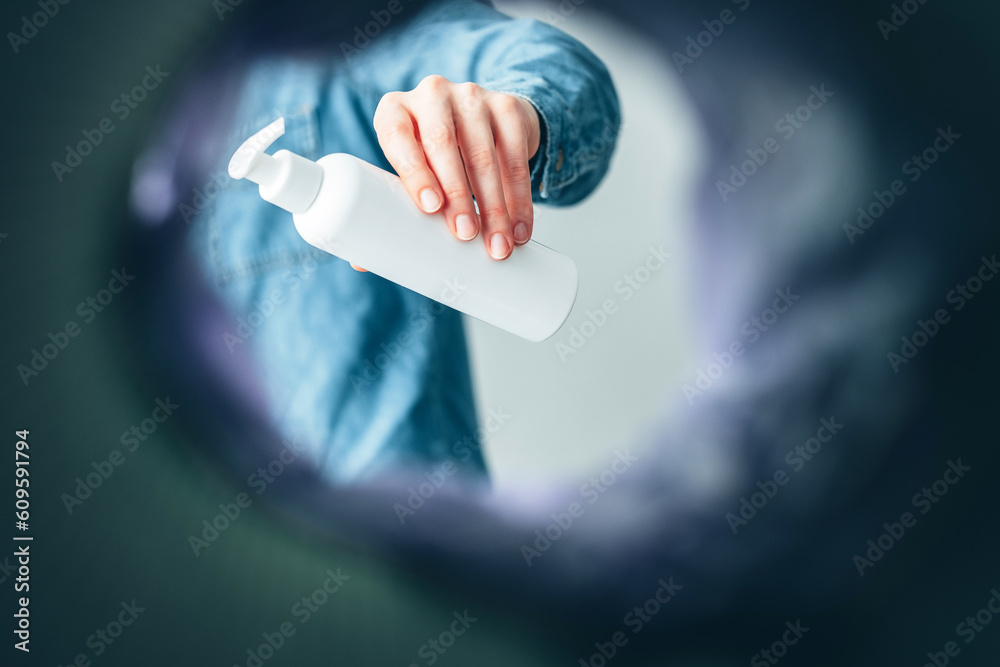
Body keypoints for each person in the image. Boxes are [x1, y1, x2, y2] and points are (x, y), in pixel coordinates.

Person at [130, 0, 620, 484]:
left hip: (411, 533)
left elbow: (548, 64)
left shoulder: (326, 37)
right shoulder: (104, 194)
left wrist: (513, 115)